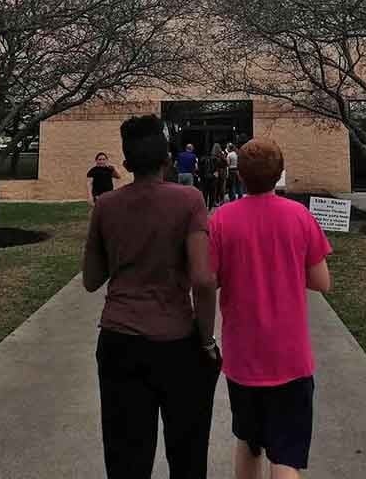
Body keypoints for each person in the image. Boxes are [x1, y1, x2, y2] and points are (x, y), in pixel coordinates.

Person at [83, 115, 220, 479]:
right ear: (167, 160)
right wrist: (206, 341)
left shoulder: (106, 205)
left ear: (126, 165)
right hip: (177, 342)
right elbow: (203, 280)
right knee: (188, 455)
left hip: (119, 341)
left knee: (126, 459)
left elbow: (91, 280)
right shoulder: (190, 200)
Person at [209, 138, 332, 479]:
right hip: (291, 358)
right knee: (285, 455)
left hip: (242, 358)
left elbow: (209, 280)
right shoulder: (299, 216)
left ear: (240, 174)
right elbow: (321, 282)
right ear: (280, 173)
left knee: (248, 442)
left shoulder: (221, 219)